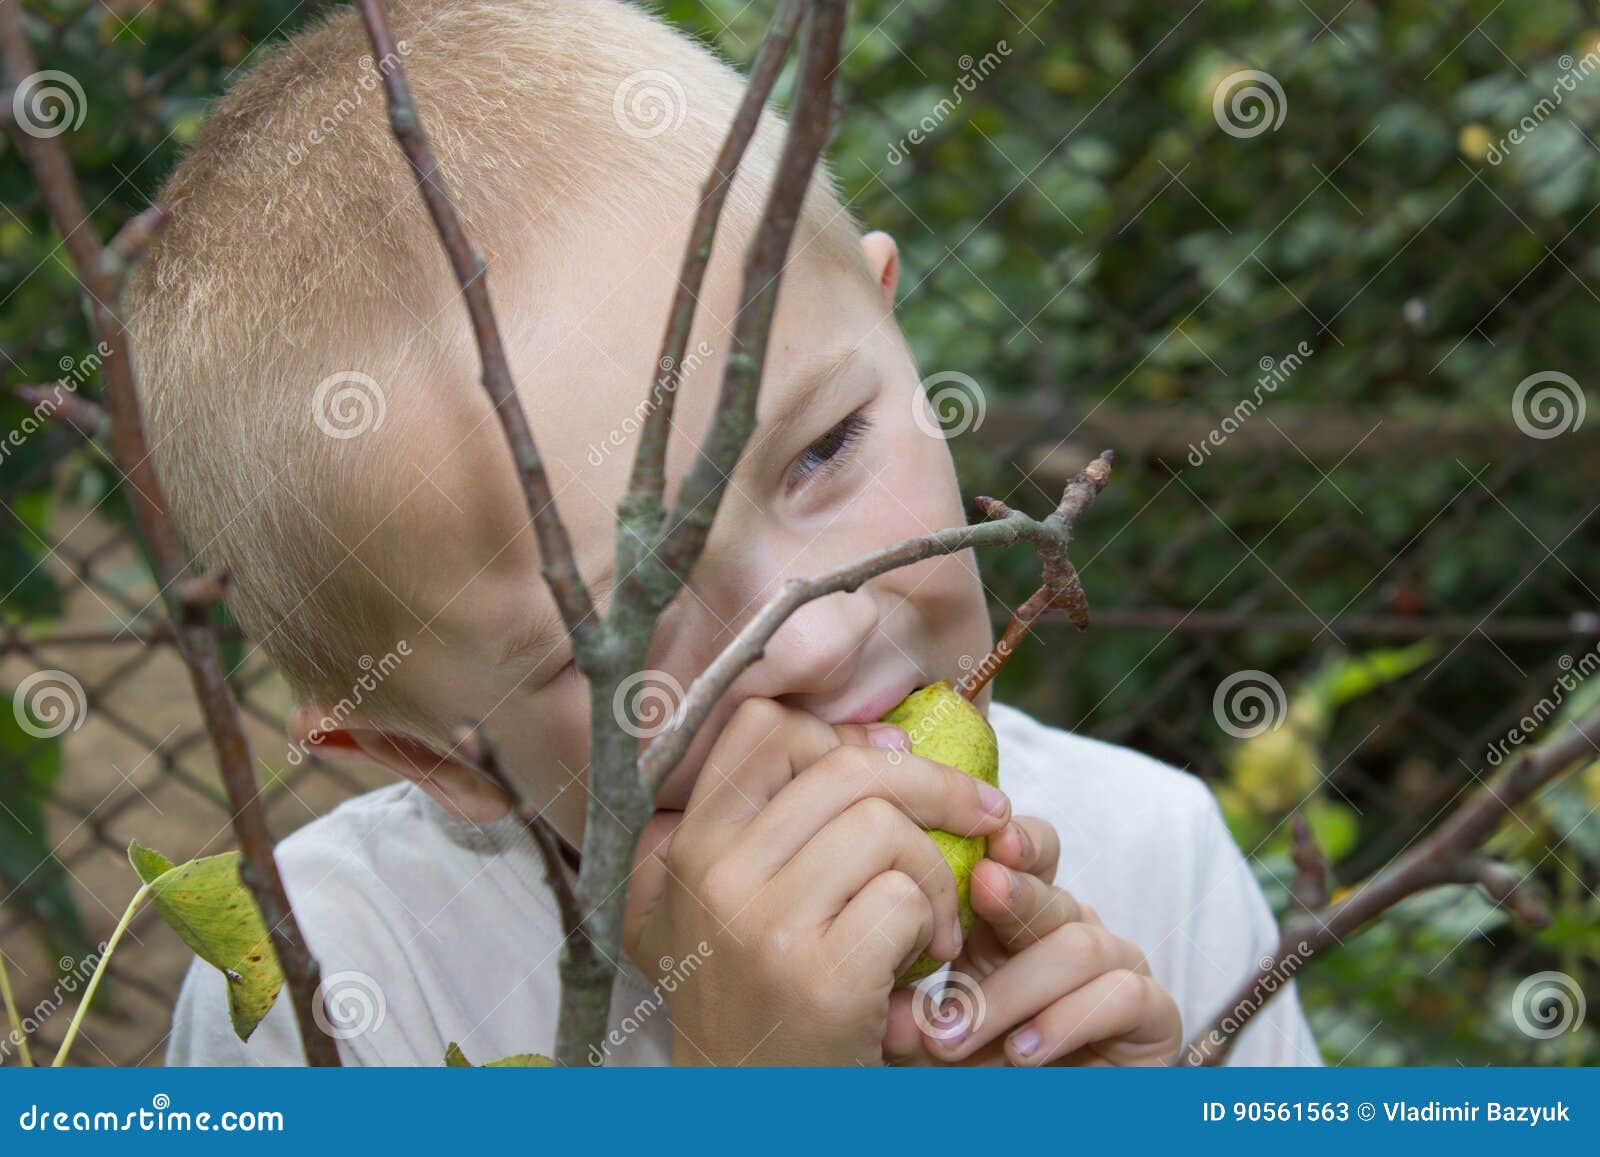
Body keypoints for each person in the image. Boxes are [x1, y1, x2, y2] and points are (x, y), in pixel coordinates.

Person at [128, 0, 1321, 1067]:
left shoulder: (1159, 859)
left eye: (824, 449)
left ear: (897, 334)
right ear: (435, 759)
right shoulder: (335, 985)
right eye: (617, 621)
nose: (809, 637)